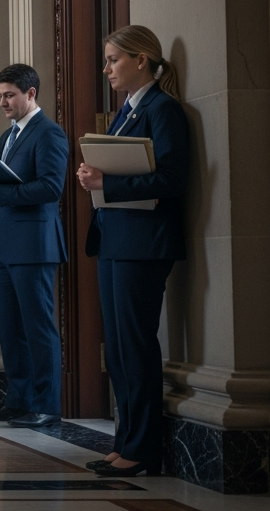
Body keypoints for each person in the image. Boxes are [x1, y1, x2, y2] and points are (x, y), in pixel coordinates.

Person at [76, 25, 188, 477]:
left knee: (135, 345)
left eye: (112, 60)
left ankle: (142, 447)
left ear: (141, 60)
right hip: (116, 239)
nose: (106, 69)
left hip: (144, 243)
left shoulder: (163, 109)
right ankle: (124, 440)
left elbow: (171, 179)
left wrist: (107, 183)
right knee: (118, 349)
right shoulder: (125, 112)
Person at [0, 63, 69, 428]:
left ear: (31, 94)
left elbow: (51, 188)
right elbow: (4, 188)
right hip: (5, 246)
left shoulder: (49, 134)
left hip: (35, 246)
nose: (3, 103)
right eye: (0, 96)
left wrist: (0, 191)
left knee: (38, 328)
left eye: (9, 95)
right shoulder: (7, 137)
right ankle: (18, 400)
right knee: (10, 329)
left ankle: (46, 404)